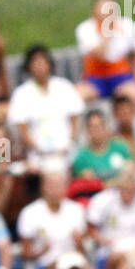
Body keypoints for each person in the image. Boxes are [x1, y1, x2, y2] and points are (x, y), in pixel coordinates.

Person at [8, 45, 84, 174]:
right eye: (35, 63)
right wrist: (39, 149)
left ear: (49, 64)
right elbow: (22, 128)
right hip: (38, 153)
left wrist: (68, 144)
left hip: (67, 149)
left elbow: (75, 119)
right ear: (29, 66)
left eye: (43, 62)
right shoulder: (21, 93)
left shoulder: (64, 86)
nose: (40, 66)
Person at [16, 167, 88, 269]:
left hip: (74, 263)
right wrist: (40, 252)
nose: (56, 190)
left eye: (60, 185)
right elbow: (25, 253)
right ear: (43, 187)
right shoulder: (29, 213)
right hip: (44, 266)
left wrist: (80, 244)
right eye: (52, 185)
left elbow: (83, 250)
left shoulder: (76, 210)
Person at [75, 0, 135, 100]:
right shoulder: (85, 29)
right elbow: (99, 54)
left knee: (133, 93)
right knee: (78, 95)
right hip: (95, 77)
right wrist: (107, 32)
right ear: (95, 10)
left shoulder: (127, 25)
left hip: (121, 75)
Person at [70, 107, 133, 187]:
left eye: (100, 125)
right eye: (92, 127)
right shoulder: (81, 157)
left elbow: (132, 171)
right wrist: (118, 180)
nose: (96, 130)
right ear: (86, 130)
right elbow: (91, 183)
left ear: (106, 126)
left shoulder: (120, 147)